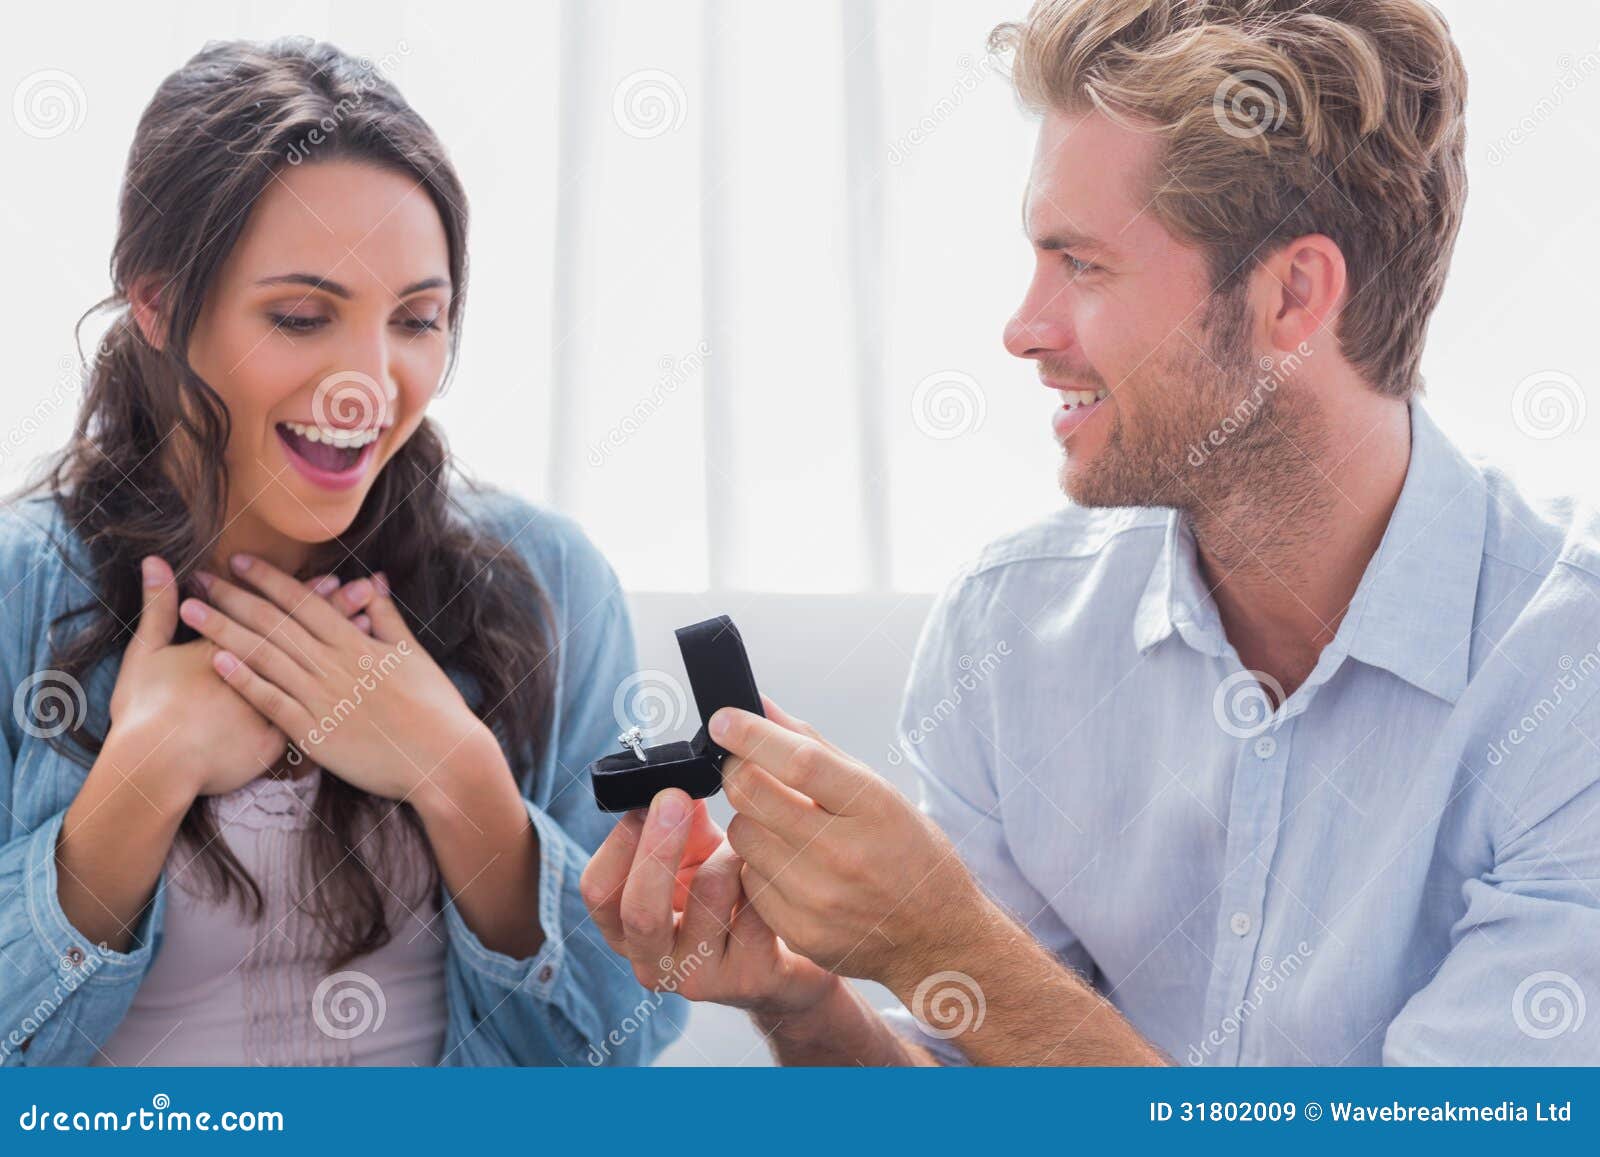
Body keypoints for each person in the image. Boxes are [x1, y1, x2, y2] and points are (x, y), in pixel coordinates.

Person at [582, 0, 1600, 1065]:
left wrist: (950, 944)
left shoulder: (1563, 679)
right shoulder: (1010, 629)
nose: (1022, 329)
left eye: (1082, 264)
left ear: (1293, 294)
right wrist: (801, 1000)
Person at [0, 38, 679, 1067]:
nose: (370, 382)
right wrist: (143, 776)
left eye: (417, 319)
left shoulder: (551, 584)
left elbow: (612, 1047)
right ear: (156, 301)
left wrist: (459, 778)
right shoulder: (21, 587)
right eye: (303, 316)